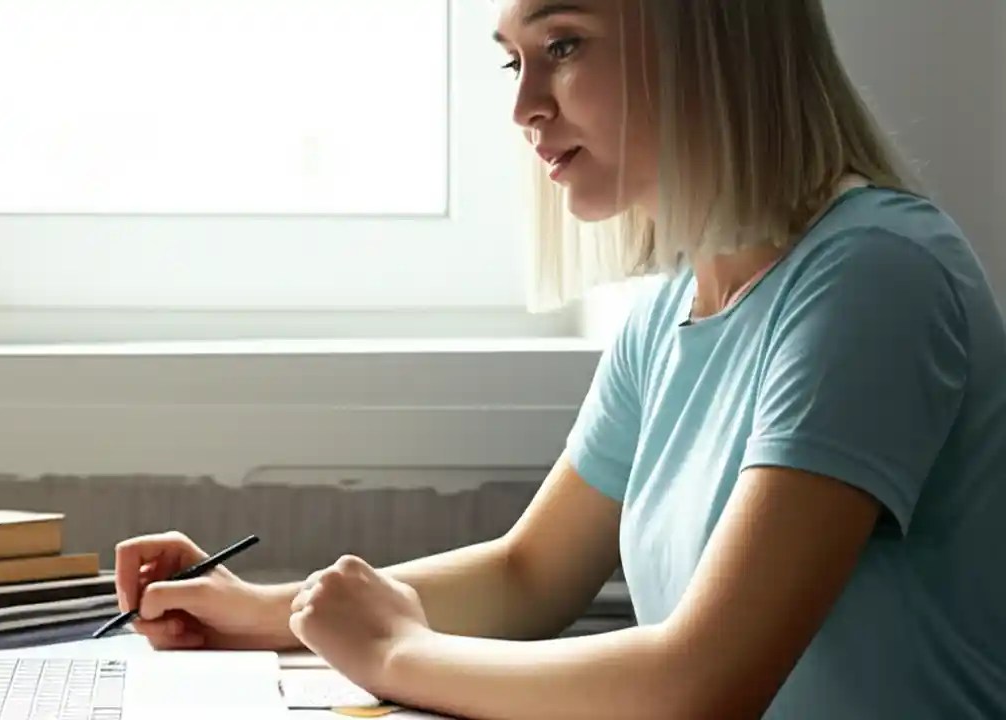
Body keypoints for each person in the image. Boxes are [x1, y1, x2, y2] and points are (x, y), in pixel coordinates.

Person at [114, 1, 1006, 717]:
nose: (523, 105)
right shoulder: (669, 309)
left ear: (711, 39)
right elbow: (530, 574)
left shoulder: (875, 277)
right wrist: (269, 611)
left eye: (565, 45)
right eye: (515, 59)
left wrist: (394, 651)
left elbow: (700, 685)